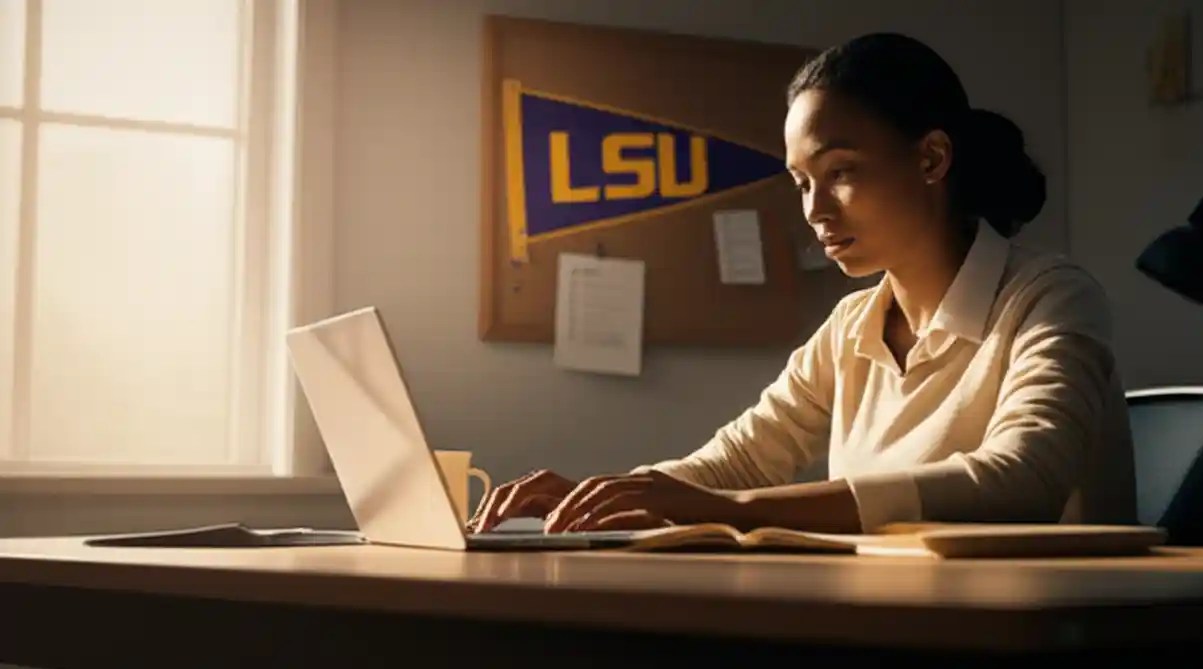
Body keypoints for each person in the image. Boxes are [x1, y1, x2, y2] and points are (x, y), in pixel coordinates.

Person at [468, 32, 1136, 536]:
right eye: (801, 182)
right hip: (890, 626)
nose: (815, 210)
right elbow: (739, 462)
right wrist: (600, 496)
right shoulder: (851, 326)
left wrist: (736, 510)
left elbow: (1022, 480)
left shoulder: (1051, 297)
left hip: (1030, 646)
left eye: (840, 171)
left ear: (932, 158)